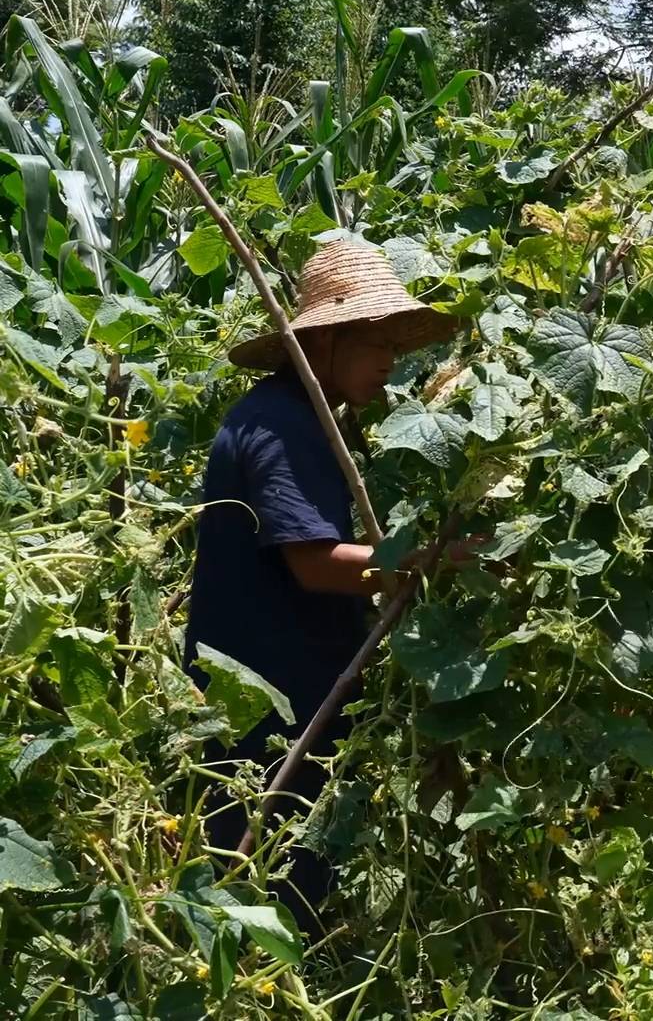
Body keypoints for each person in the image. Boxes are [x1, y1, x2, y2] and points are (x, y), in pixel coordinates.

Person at [184, 238, 460, 930]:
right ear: (329, 340)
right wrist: (435, 560)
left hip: (274, 694)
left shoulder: (295, 416)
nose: (391, 361)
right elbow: (313, 564)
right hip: (269, 704)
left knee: (258, 873)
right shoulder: (282, 426)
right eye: (375, 342)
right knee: (268, 887)